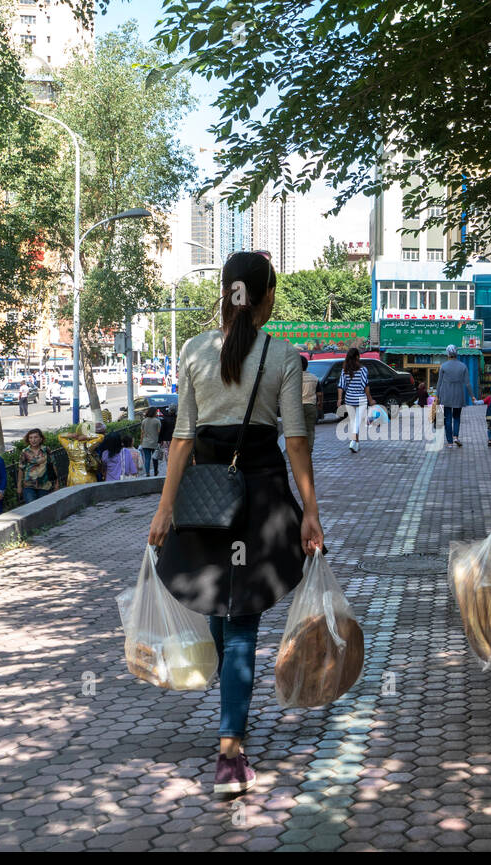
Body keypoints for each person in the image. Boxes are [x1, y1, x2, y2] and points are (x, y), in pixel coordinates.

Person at [148, 250, 322, 798]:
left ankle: (229, 729)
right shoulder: (283, 356)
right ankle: (229, 753)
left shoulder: (195, 349)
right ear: (265, 296)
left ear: (226, 293)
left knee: (225, 612)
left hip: (205, 499)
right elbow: (295, 441)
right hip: (262, 500)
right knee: (241, 618)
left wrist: (164, 506)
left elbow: (181, 438)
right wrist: (310, 509)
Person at [437, 344, 477, 448]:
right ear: (456, 353)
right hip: (459, 395)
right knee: (457, 417)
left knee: (448, 419)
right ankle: (455, 437)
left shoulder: (443, 366)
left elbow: (439, 383)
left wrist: (437, 396)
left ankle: (449, 442)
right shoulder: (463, 366)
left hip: (446, 396)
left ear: (448, 354)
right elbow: (468, 383)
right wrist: (472, 396)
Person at [336, 347, 374, 453]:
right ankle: (353, 441)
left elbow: (341, 385)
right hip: (361, 398)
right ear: (357, 356)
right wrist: (370, 399)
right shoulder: (363, 369)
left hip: (349, 399)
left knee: (354, 421)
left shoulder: (344, 370)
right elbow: (365, 386)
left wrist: (339, 399)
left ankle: (356, 444)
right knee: (357, 422)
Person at [18, 428, 56, 503]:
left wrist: (56, 483)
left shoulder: (46, 450)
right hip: (29, 485)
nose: (33, 440)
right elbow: (21, 469)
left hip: (44, 485)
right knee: (31, 507)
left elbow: (53, 465)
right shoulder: (25, 452)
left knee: (43, 506)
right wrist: (19, 486)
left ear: (41, 439)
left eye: (36, 437)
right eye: (31, 438)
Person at [298, 354, 319, 454]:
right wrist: (319, 404)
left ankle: (300, 449)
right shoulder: (314, 378)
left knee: (297, 430)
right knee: (310, 429)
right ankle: (309, 449)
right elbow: (319, 393)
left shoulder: (293, 379)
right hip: (311, 405)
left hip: (297, 407)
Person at [139, 407, 161, 477]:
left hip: (145, 443)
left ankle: (147, 473)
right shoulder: (157, 421)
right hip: (154, 442)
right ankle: (155, 471)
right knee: (155, 458)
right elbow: (159, 432)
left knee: (147, 458)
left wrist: (141, 442)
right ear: (154, 412)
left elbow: (142, 433)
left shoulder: (144, 421)